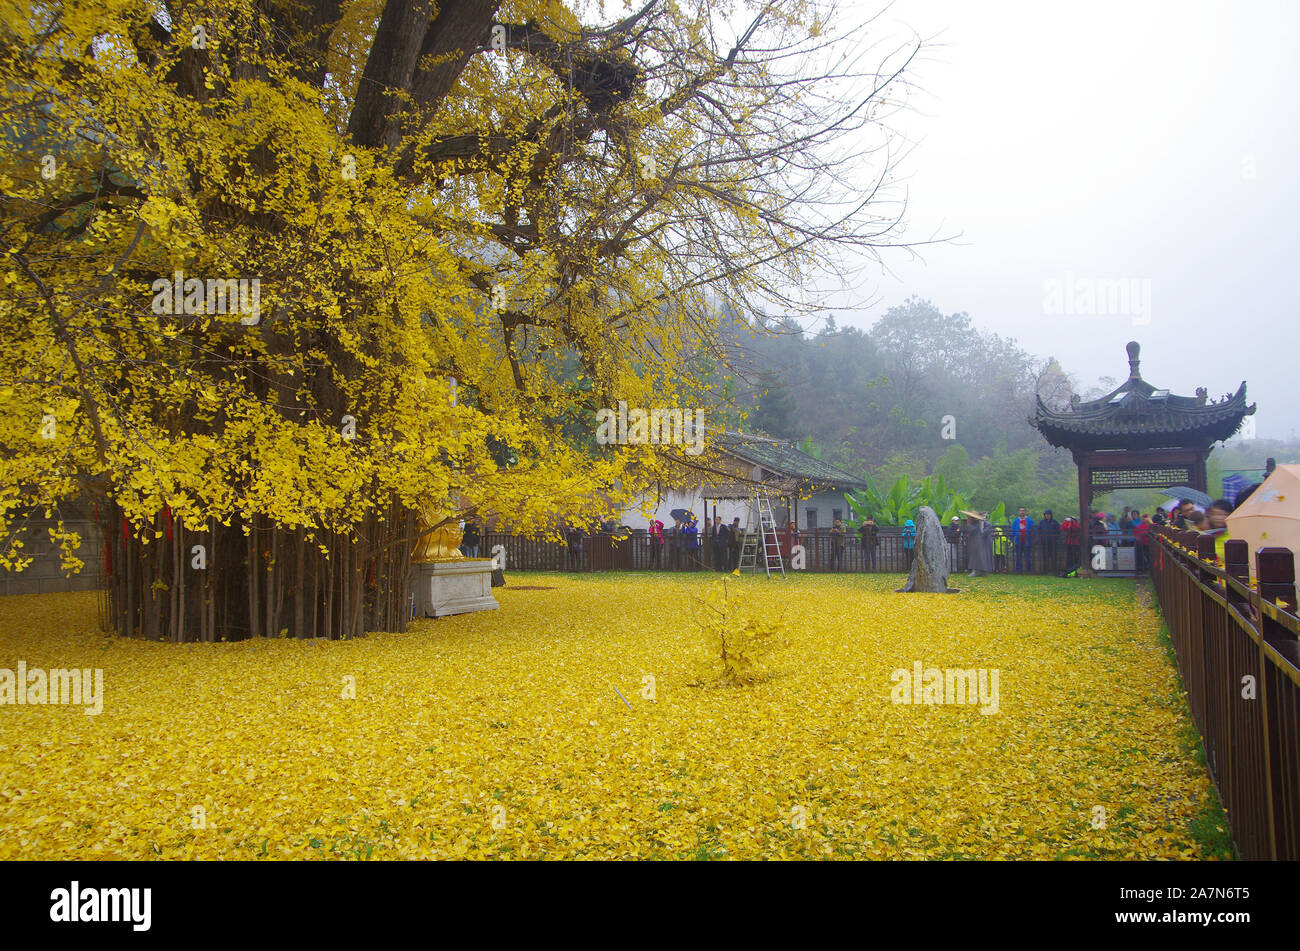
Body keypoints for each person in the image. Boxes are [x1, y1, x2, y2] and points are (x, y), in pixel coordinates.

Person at [963, 511, 995, 577]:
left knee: (982, 557)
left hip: (983, 545)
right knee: (975, 557)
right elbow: (967, 530)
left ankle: (982, 571)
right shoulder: (972, 525)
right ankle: (976, 570)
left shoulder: (986, 524)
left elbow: (984, 533)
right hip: (974, 544)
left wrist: (981, 524)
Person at [1010, 507, 1034, 573]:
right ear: (1018, 512)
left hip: (1027, 541)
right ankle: (1018, 569)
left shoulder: (1030, 520)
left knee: (1028, 556)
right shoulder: (1015, 521)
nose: (1022, 512)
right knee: (1018, 556)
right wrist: (1011, 539)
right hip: (1018, 540)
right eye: (1020, 511)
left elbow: (1033, 530)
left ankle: (1028, 569)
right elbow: (1013, 530)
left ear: (1025, 512)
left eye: (1023, 511)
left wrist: (1033, 539)